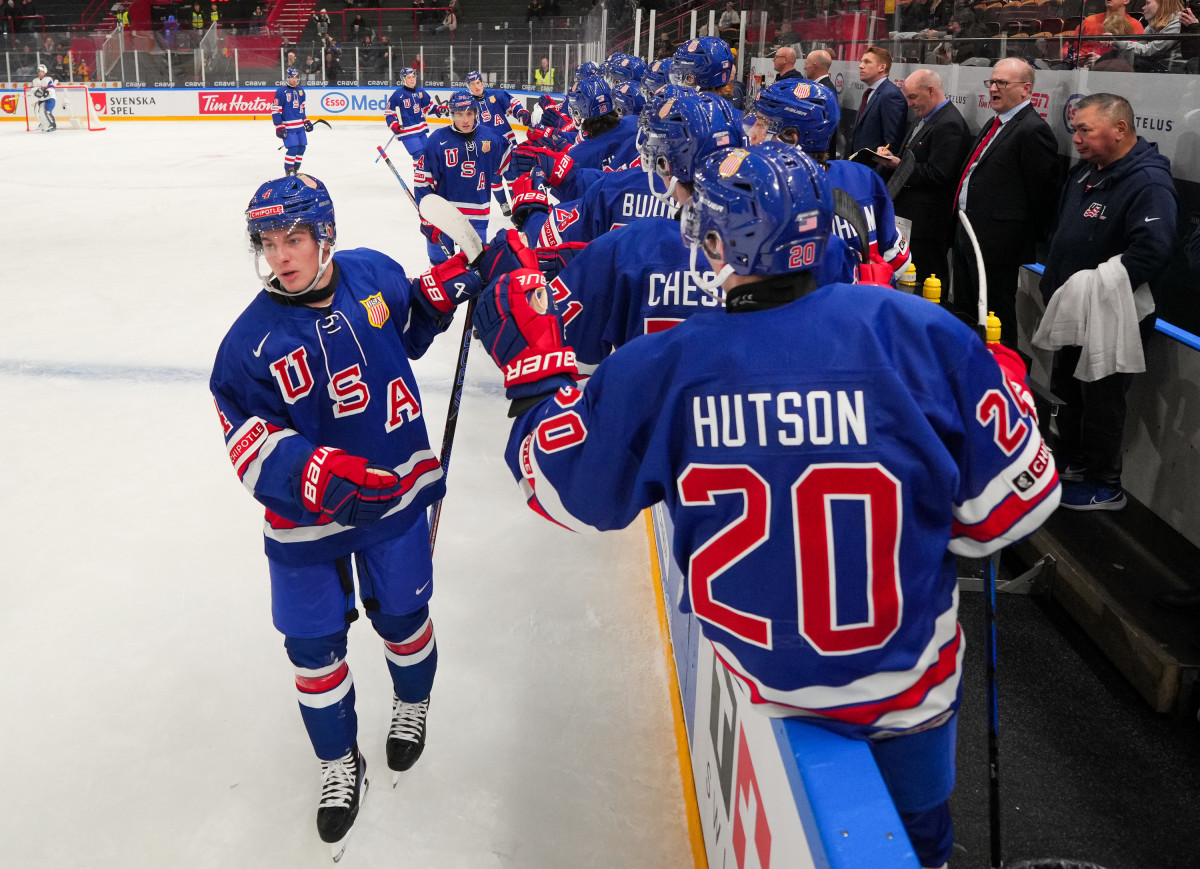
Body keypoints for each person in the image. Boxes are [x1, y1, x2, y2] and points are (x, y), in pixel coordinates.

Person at [470, 139, 1061, 869]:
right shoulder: (920, 333)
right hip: (911, 696)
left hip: (760, 693)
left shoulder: (665, 364)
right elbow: (1008, 516)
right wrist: (1002, 391)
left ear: (718, 243)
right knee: (921, 845)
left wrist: (531, 380)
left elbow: (558, 485)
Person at [210, 173, 494, 858]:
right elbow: (247, 446)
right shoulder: (246, 346)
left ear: (326, 236)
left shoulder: (372, 273)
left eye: (295, 238)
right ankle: (340, 762)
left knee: (403, 618)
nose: (281, 256)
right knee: (312, 650)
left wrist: (439, 292)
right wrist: (311, 471)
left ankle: (411, 701)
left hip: (392, 493)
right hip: (304, 525)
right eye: (269, 243)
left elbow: (410, 328)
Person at [1033, 94, 1177, 511]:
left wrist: (1096, 286)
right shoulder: (1085, 172)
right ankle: (1075, 462)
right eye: (1073, 129)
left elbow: (1153, 249)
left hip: (1112, 314)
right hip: (1072, 309)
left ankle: (1105, 484)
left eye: (1085, 130)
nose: (1075, 138)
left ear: (1119, 129)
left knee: (1102, 399)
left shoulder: (1147, 182)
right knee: (1068, 390)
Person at [745, 79, 910, 285]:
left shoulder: (766, 193)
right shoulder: (862, 177)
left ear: (790, 137)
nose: (752, 133)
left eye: (762, 123)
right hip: (860, 310)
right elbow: (897, 261)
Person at [952, 57, 1061, 347]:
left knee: (995, 316)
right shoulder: (997, 121)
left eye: (1002, 83)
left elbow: (1043, 195)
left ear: (1026, 89)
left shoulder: (1032, 130)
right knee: (966, 310)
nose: (993, 88)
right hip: (969, 235)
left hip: (998, 245)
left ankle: (1005, 378)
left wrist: (1021, 239)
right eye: (992, 82)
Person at [875, 69, 971, 285]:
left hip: (929, 227)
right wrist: (894, 158)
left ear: (930, 91)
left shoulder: (949, 124)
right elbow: (912, 157)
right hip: (911, 220)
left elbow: (940, 174)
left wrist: (899, 166)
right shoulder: (926, 117)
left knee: (928, 282)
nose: (909, 104)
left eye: (912, 97)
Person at [416, 89, 512, 264]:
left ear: (476, 113)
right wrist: (427, 217)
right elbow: (423, 180)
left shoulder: (491, 138)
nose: (465, 120)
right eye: (459, 114)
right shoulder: (437, 140)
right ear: (452, 115)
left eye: (469, 113)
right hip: (444, 215)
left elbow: (511, 165)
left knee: (475, 269)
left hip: (478, 216)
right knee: (438, 266)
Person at [849, 45, 907, 160]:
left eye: (867, 62)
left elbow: (891, 145)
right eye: (861, 62)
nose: (860, 66)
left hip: (874, 171)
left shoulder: (891, 95)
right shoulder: (871, 91)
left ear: (882, 67)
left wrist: (878, 172)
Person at [671, 36, 742, 116]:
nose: (682, 83)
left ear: (690, 78)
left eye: (684, 76)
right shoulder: (729, 98)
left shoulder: (698, 111)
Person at [1063, 0, 1144, 66]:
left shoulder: (1135, 25)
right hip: (1078, 67)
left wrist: (1102, 60)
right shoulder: (1088, 21)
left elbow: (1134, 57)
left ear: (1126, 0)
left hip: (1109, 70)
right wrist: (1073, 57)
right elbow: (1068, 47)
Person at [384, 67, 435, 171]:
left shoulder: (421, 92)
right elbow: (389, 113)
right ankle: (419, 183)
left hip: (421, 130)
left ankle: (430, 181)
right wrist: (394, 125)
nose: (412, 79)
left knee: (429, 155)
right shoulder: (398, 95)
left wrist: (439, 110)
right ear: (403, 80)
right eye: (409, 77)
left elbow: (428, 107)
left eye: (413, 77)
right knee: (419, 157)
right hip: (407, 132)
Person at [464, 70, 532, 147]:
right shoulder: (467, 104)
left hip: (505, 140)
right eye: (472, 84)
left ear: (482, 83)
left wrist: (520, 111)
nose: (476, 86)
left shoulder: (496, 94)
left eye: (478, 82)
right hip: (484, 145)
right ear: (468, 87)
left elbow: (512, 103)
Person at [1112, 0, 1185, 71]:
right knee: (1114, 56)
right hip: (1154, 68)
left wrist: (1116, 41)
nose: (1143, 7)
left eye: (1147, 3)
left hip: (1170, 71)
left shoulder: (1177, 24)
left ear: (1162, 4)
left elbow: (1149, 51)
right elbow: (1140, 46)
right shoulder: (1152, 24)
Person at [272, 68, 313, 176]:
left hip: (299, 127)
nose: (294, 80)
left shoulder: (301, 91)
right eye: (291, 77)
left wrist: (306, 121)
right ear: (287, 78)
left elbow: (302, 109)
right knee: (293, 149)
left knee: (302, 148)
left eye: (296, 77)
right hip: (288, 127)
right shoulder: (281, 91)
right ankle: (288, 170)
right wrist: (279, 126)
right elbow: (276, 110)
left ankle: (295, 169)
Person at [28, 62, 55, 132]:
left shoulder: (48, 79)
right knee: (40, 112)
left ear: (45, 72)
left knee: (47, 112)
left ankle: (52, 125)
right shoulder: (35, 81)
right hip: (42, 99)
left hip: (50, 98)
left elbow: (52, 88)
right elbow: (32, 90)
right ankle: (44, 124)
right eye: (39, 72)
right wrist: (32, 93)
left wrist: (47, 92)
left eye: (41, 72)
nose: (40, 73)